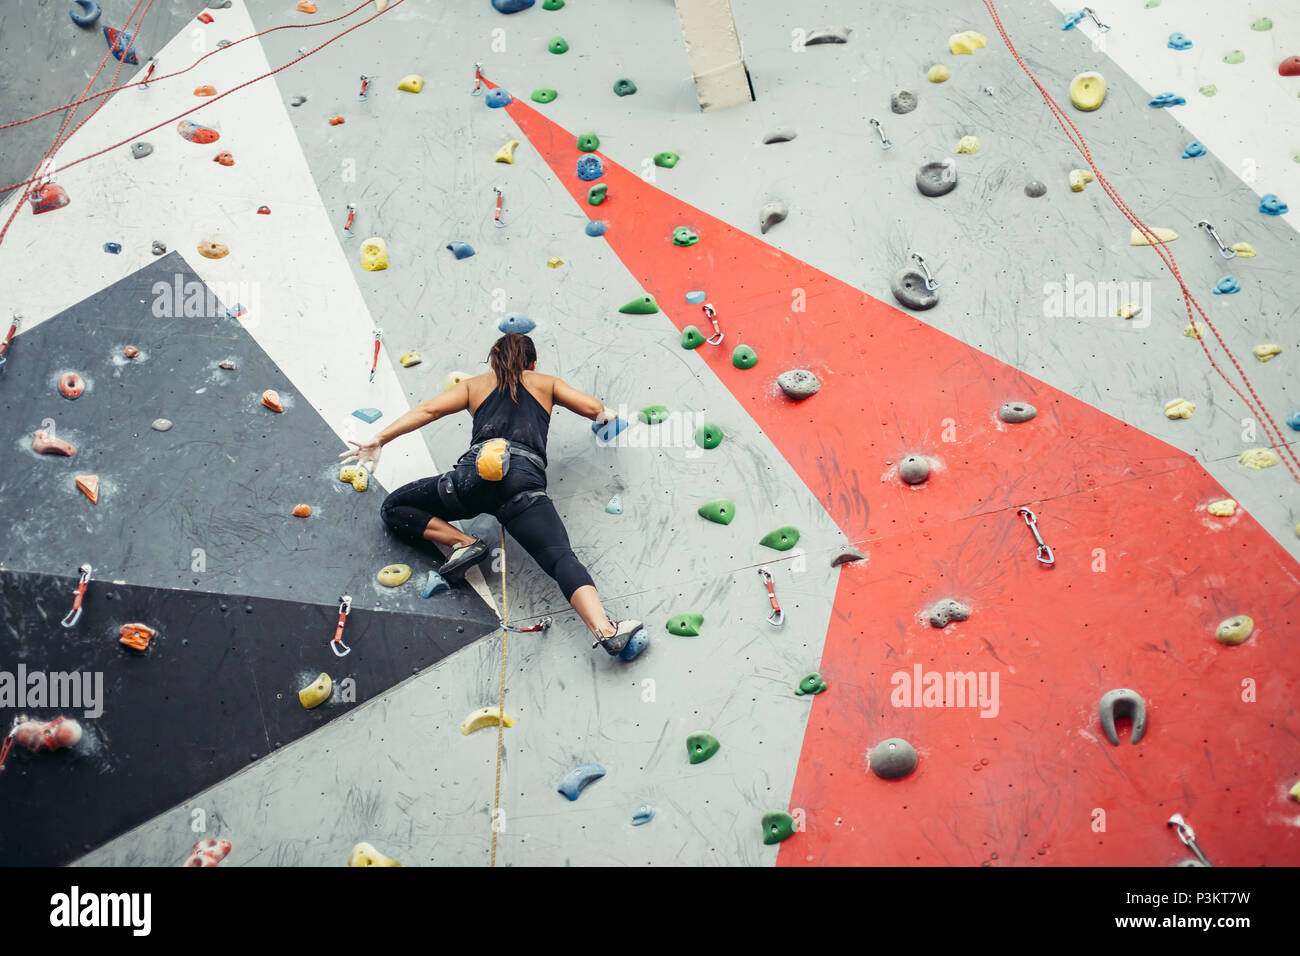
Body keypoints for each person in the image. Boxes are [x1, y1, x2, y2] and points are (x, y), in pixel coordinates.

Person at [339, 332, 644, 657]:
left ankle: (464, 544)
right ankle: (606, 631)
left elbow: (429, 411)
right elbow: (594, 408)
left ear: (493, 361)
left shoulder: (474, 386)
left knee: (395, 506)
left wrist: (380, 439)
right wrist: (604, 416)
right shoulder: (545, 382)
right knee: (560, 559)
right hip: (522, 486)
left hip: (472, 480)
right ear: (533, 361)